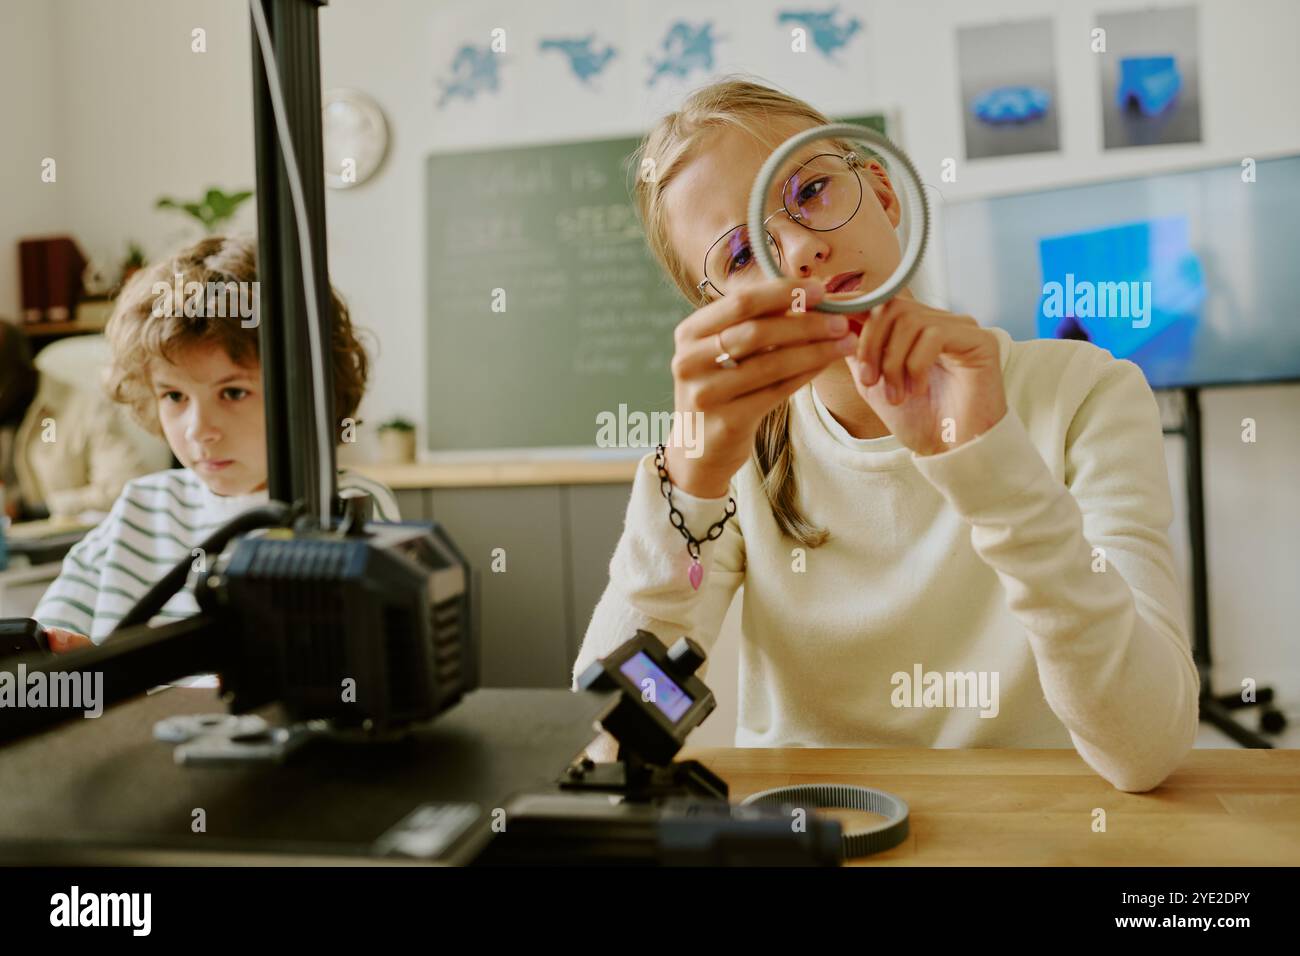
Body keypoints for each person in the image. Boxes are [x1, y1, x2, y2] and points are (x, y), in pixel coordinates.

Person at [572, 78, 1198, 793]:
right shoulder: (734, 455)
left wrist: (986, 460)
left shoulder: (1086, 391)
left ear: (885, 194)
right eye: (744, 254)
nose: (802, 248)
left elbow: (1145, 749)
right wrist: (688, 488)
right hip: (808, 828)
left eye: (810, 192)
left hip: (1038, 824)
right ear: (721, 311)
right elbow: (604, 747)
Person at [34, 235, 400, 651]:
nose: (198, 430)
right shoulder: (139, 508)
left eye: (233, 393)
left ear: (308, 393)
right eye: (174, 396)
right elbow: (38, 650)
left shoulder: (347, 509)